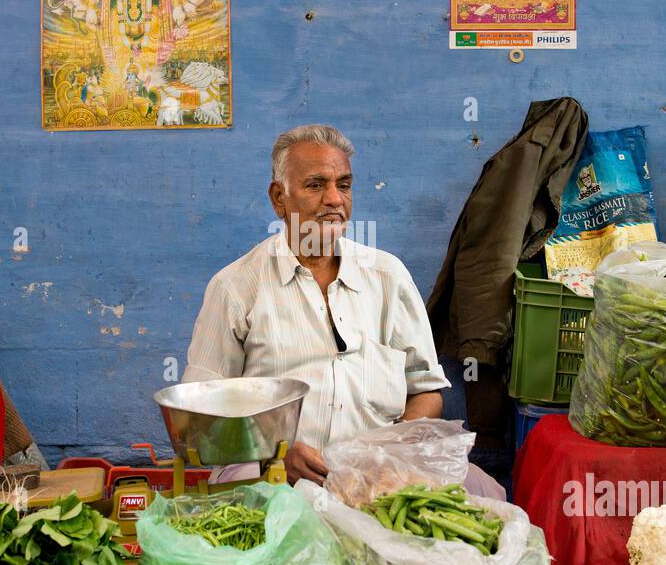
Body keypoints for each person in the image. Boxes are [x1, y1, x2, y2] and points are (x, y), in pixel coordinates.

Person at [183, 125, 504, 498]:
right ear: (278, 198)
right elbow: (202, 419)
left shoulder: (387, 276)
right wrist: (276, 454)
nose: (334, 199)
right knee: (309, 517)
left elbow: (427, 391)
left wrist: (386, 452)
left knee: (487, 493)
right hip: (273, 473)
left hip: (377, 471)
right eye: (316, 185)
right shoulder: (236, 288)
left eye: (344, 185)